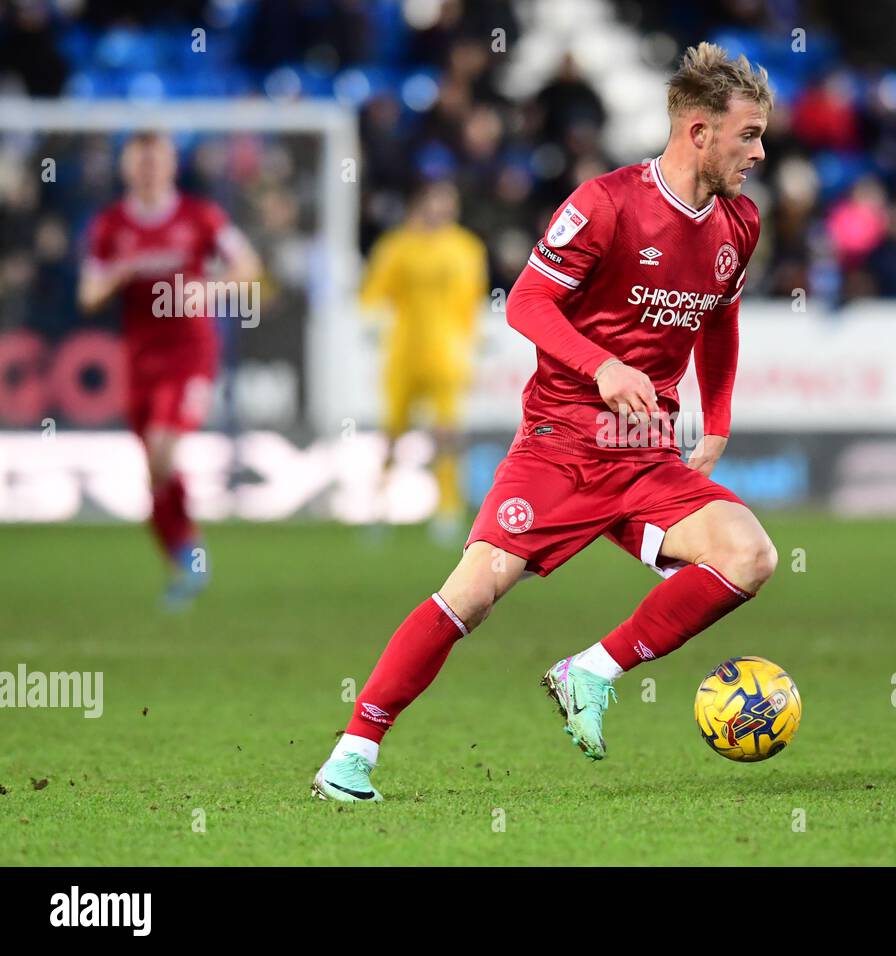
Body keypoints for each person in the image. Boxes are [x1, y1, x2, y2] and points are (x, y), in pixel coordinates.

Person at [314, 43, 775, 801]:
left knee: (749, 555)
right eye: (748, 135)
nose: (759, 153)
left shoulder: (739, 223)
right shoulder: (606, 204)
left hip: (646, 453)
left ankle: (590, 671)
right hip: (560, 444)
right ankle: (353, 752)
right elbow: (526, 301)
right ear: (699, 131)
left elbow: (720, 322)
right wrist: (603, 367)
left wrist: (716, 420)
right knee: (473, 593)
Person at [79, 131, 261, 608]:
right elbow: (88, 295)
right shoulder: (110, 224)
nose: (148, 171)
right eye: (140, 163)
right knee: (154, 471)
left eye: (156, 162)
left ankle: (188, 555)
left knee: (162, 451)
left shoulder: (201, 216)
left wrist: (211, 288)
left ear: (171, 166)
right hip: (140, 360)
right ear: (126, 169)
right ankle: (184, 556)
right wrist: (117, 274)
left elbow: (248, 266)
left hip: (190, 354)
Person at [360, 180, 488, 538]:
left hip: (446, 353)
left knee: (446, 431)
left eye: (449, 202)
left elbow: (471, 303)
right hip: (403, 351)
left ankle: (447, 509)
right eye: (437, 201)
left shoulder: (466, 248)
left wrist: (470, 347)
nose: (444, 209)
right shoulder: (396, 246)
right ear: (420, 204)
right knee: (392, 431)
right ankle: (378, 508)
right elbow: (373, 296)